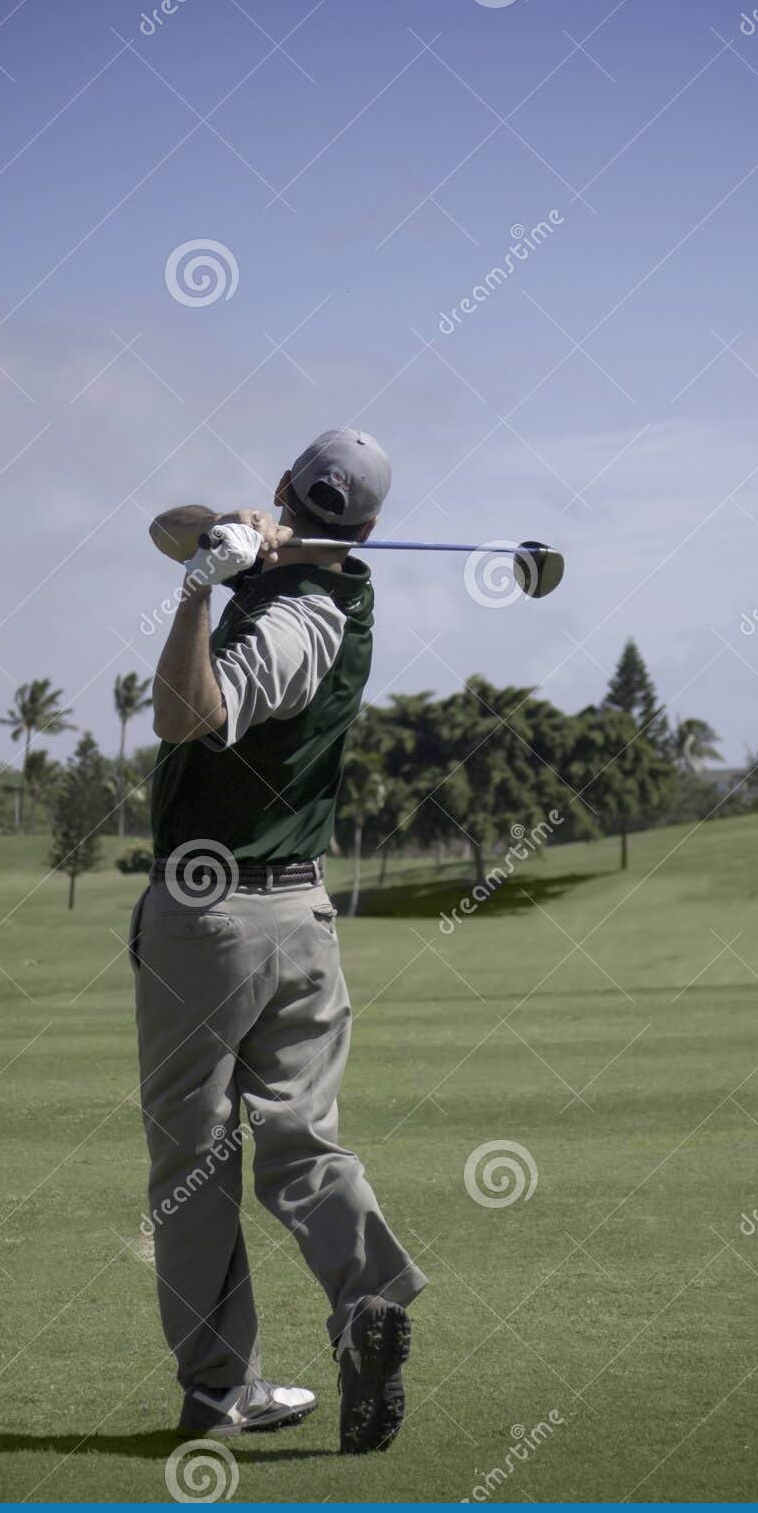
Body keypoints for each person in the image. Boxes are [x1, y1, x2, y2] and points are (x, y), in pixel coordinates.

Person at [132, 428, 427, 1453]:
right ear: (370, 526)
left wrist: (195, 596)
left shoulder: (295, 624)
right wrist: (219, 535)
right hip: (301, 917)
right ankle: (366, 1304)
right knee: (302, 1143)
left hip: (210, 918)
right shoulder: (320, 580)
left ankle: (220, 1393)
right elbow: (161, 526)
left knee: (193, 1164)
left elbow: (183, 715)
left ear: (286, 485)